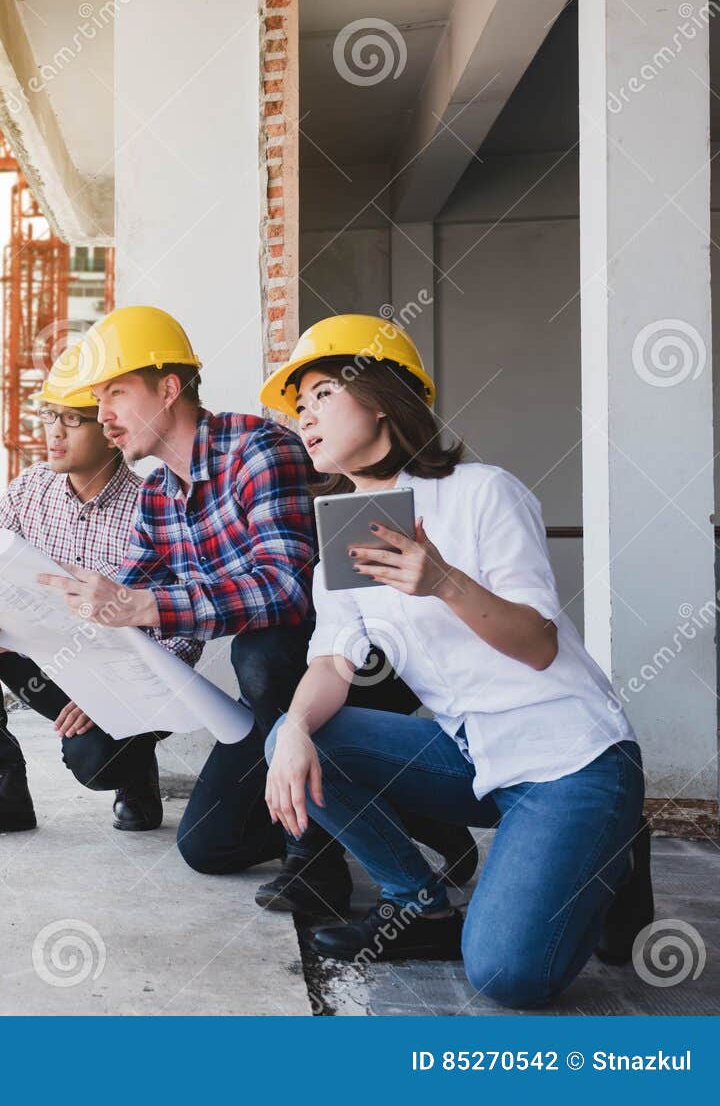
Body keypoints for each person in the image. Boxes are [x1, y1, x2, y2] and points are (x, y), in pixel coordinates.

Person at [258, 314, 649, 1007]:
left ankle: (608, 844)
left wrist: (442, 581)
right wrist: (291, 729)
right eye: (298, 407)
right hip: (472, 755)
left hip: (570, 759)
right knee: (299, 735)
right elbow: (333, 665)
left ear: (380, 397)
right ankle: (419, 906)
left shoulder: (481, 492)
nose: (304, 419)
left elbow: (539, 643)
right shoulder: (344, 534)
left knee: (508, 976)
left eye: (321, 394)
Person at [37, 305, 474, 915]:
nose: (102, 414)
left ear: (168, 390)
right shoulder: (158, 496)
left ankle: (315, 862)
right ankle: (403, 807)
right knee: (209, 846)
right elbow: (132, 601)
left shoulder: (259, 449)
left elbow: (285, 590)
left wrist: (146, 606)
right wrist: (101, 675)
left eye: (115, 392)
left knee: (263, 646)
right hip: (277, 697)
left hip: (349, 677)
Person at [0, 341, 203, 840]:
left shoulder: (153, 504)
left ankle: (134, 768)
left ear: (109, 426)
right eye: (49, 416)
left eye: (71, 421)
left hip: (132, 681)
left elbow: (185, 637)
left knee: (95, 764)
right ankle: (1, 787)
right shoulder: (30, 488)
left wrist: (111, 693)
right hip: (52, 664)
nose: (52, 432)